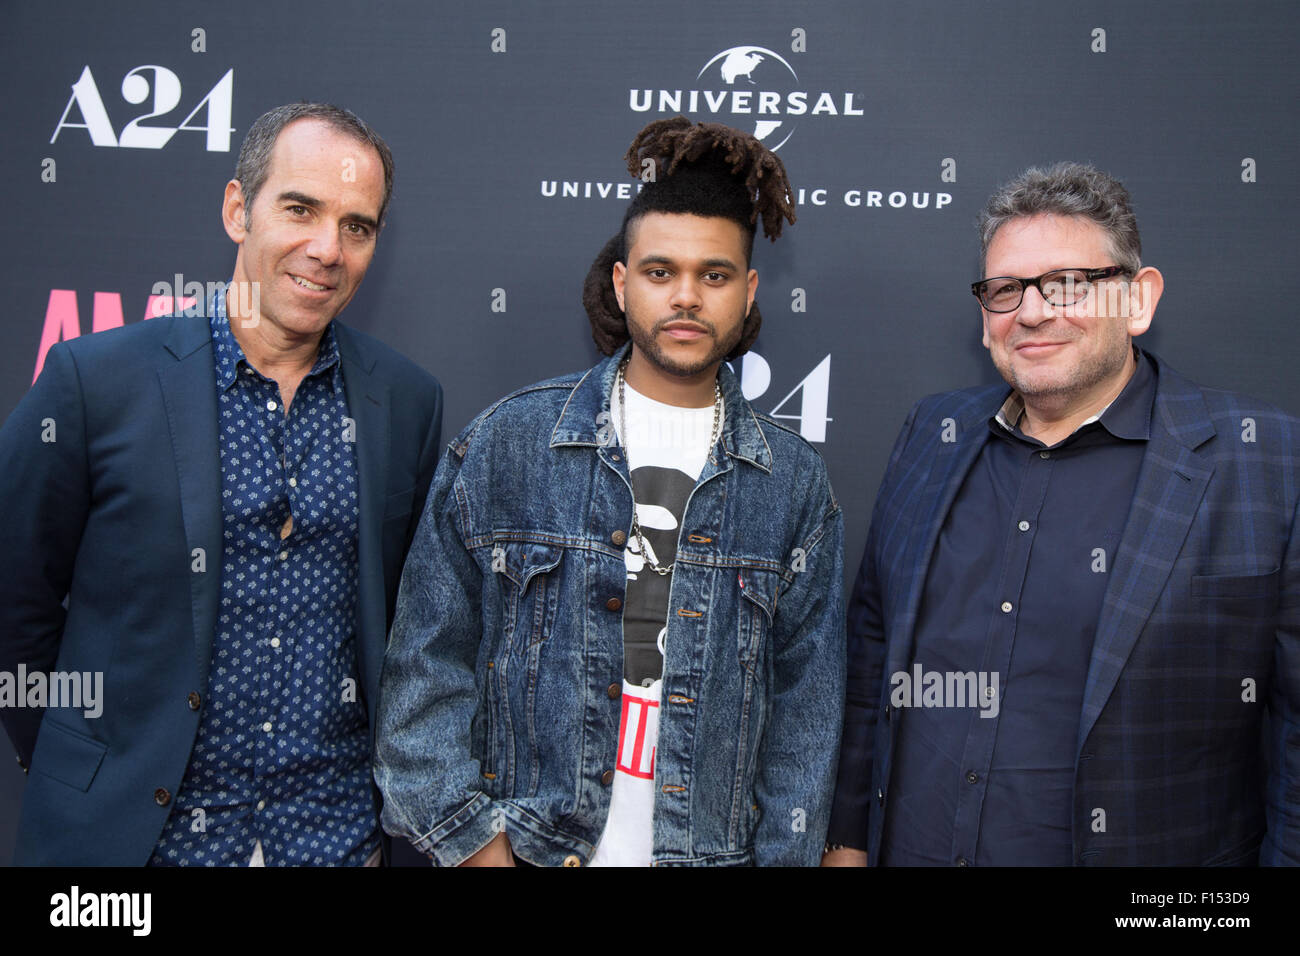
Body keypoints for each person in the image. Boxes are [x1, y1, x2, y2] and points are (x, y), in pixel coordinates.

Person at [375, 117, 844, 867]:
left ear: (749, 290)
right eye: (660, 272)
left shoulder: (790, 483)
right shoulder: (508, 444)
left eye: (714, 275)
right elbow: (426, 671)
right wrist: (476, 851)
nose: (686, 296)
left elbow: (805, 718)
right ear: (623, 283)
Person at [0, 102, 444, 865]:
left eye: (357, 226)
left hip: (332, 838)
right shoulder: (94, 380)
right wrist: (83, 758)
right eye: (299, 209)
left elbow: (415, 629)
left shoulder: (405, 401)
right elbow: (13, 599)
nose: (326, 248)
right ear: (239, 209)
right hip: (131, 847)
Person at [824, 161, 1298, 867]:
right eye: (1005, 290)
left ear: (1138, 300)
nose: (1033, 312)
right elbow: (871, 656)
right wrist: (848, 843)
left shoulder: (1265, 462)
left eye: (1068, 285)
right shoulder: (933, 432)